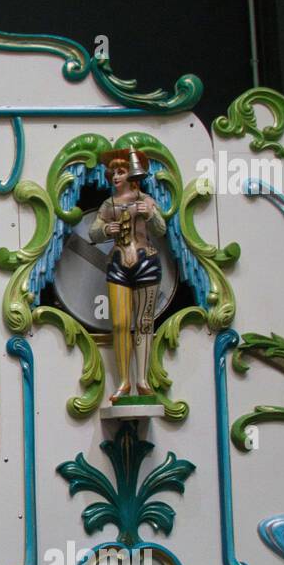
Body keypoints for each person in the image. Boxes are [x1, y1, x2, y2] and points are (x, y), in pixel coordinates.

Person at [88, 148, 167, 403]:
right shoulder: (108, 205)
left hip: (146, 260)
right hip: (119, 263)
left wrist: (151, 214)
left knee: (144, 323)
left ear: (132, 174)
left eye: (120, 172)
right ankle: (124, 381)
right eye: (112, 172)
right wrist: (105, 230)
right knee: (121, 324)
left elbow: (161, 229)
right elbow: (93, 232)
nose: (115, 177)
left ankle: (142, 381)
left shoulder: (147, 201)